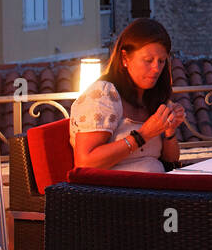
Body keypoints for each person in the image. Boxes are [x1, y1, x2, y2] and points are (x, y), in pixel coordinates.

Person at [70, 18, 187, 173]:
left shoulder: (151, 95)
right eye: (148, 60)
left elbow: (171, 160)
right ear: (125, 58)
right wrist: (143, 135)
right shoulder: (103, 95)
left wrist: (169, 131)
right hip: (111, 193)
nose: (156, 68)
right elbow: (85, 163)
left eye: (161, 61)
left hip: (152, 189)